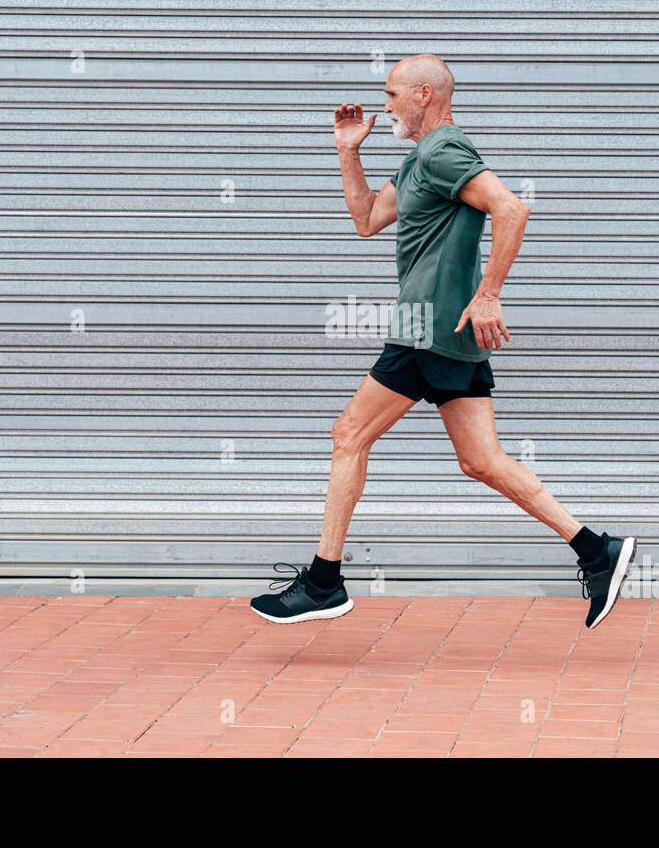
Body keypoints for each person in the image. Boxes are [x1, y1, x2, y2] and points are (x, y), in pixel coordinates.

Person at [250, 54, 636, 629]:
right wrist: (347, 150)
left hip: (425, 325)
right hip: (441, 330)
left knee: (348, 434)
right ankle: (595, 550)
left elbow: (512, 207)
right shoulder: (417, 162)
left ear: (424, 94)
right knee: (481, 461)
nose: (384, 105)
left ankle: (324, 580)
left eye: (391, 93)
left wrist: (488, 294)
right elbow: (365, 220)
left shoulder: (443, 150)